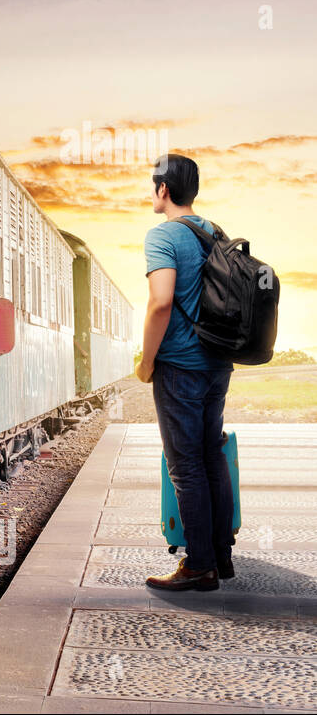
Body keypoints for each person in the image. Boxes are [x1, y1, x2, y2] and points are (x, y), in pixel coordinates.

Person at [135, 153, 234, 591]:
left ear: (163, 190)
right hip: (218, 364)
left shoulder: (163, 235)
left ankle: (199, 565)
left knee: (186, 466)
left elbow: (160, 303)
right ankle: (221, 557)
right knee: (211, 455)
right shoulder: (216, 233)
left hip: (180, 366)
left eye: (153, 186)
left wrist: (146, 360)